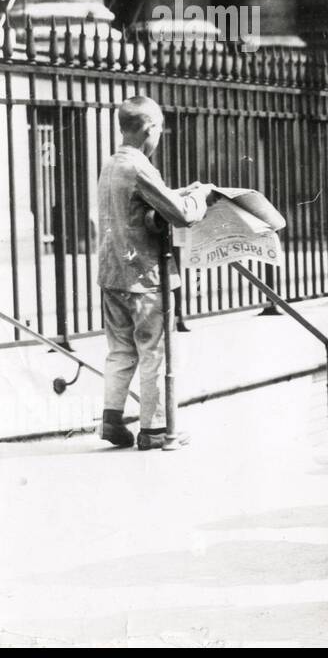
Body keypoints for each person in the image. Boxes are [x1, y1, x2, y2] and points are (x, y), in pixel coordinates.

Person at [97, 96, 211, 451]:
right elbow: (183, 215)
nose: (159, 136)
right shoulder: (140, 166)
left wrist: (176, 193)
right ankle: (155, 429)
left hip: (112, 274)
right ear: (149, 128)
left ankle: (111, 420)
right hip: (144, 278)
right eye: (159, 128)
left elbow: (140, 201)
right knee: (154, 351)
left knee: (119, 350)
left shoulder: (112, 164)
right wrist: (201, 196)